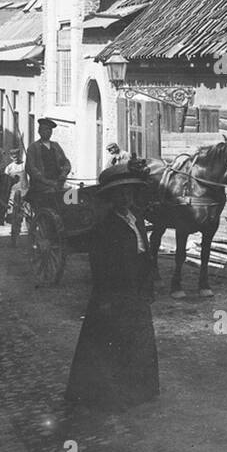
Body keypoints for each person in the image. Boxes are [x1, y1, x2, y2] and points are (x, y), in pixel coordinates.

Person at [66, 161, 159, 412]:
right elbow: (101, 266)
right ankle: (109, 396)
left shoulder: (135, 219)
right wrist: (111, 296)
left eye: (129, 192)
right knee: (113, 343)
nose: (125, 198)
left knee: (139, 340)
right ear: (111, 197)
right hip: (114, 293)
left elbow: (145, 253)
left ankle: (141, 390)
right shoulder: (106, 226)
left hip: (136, 287)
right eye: (120, 193)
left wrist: (147, 284)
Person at [25, 117, 71, 208]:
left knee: (73, 196)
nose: (48, 132)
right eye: (45, 130)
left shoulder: (56, 146)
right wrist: (47, 182)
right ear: (39, 131)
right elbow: (31, 169)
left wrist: (63, 174)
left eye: (50, 130)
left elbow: (66, 162)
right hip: (40, 185)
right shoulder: (33, 147)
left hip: (58, 183)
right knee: (52, 200)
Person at [3, 148, 27, 235]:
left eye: (17, 156)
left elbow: (28, 177)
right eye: (13, 157)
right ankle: (14, 228)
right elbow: (6, 182)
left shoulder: (25, 165)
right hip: (13, 192)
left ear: (19, 155)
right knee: (13, 211)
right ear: (11, 157)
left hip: (24, 190)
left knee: (24, 209)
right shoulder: (9, 168)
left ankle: (23, 225)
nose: (15, 158)